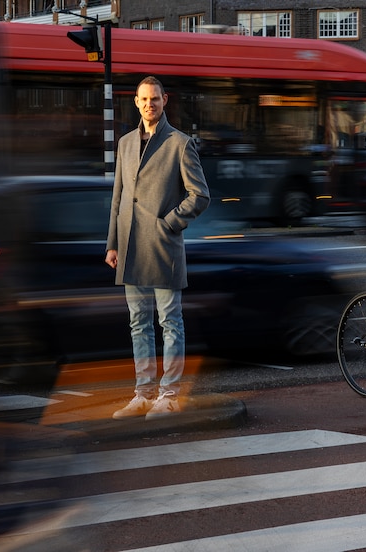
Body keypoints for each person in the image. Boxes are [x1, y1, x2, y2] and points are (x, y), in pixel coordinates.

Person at [105, 76, 210, 420]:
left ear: (166, 100)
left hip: (163, 246)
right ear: (136, 102)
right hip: (131, 246)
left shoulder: (180, 143)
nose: (149, 104)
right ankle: (143, 393)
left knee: (170, 321)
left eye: (155, 99)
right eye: (144, 99)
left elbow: (200, 195)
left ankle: (169, 394)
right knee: (138, 322)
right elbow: (118, 198)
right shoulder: (124, 144)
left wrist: (169, 224)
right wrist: (112, 244)